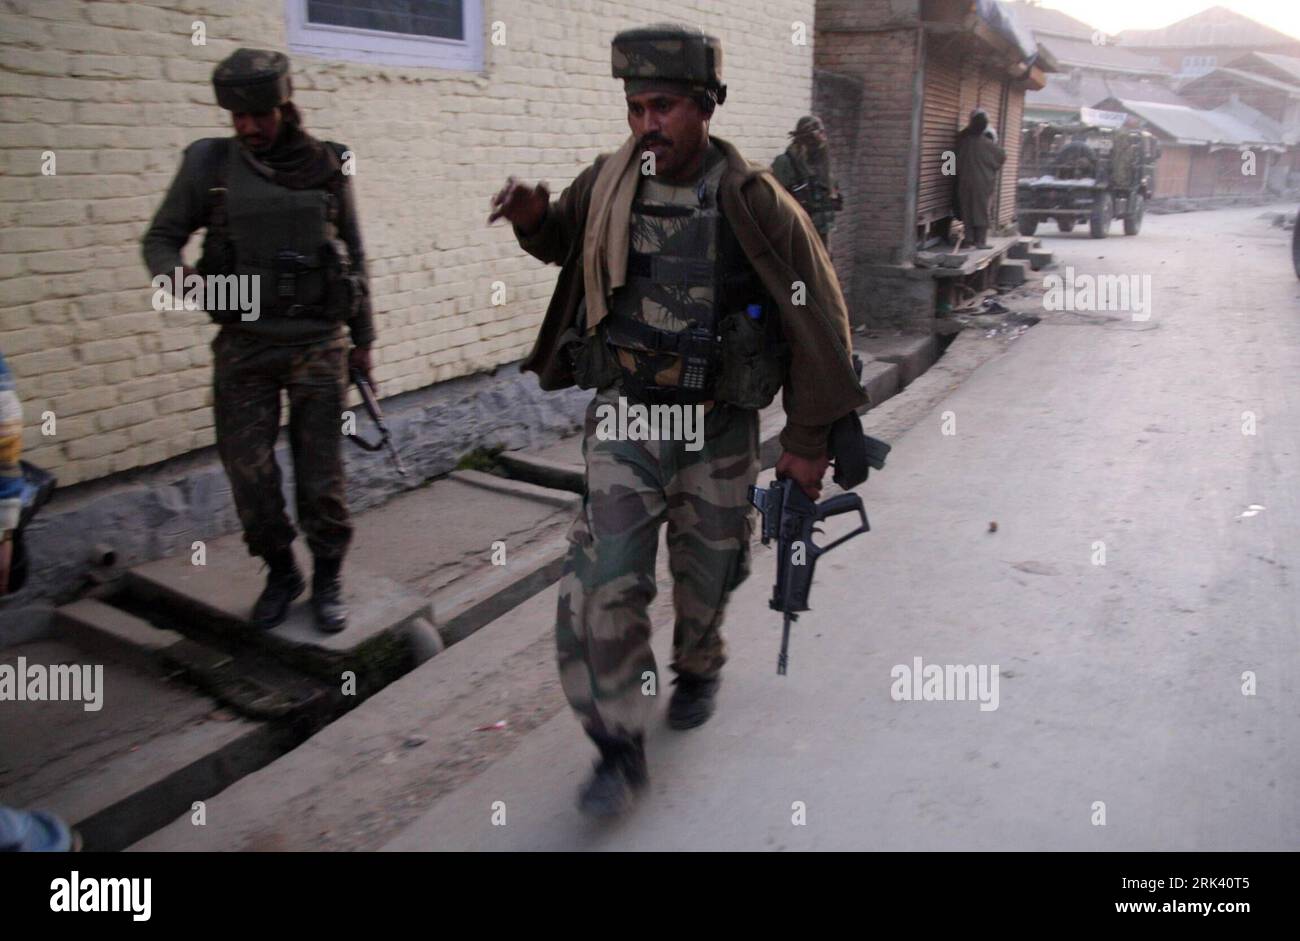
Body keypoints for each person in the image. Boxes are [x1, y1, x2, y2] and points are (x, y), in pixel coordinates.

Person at [488, 24, 868, 817]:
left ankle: (698, 662)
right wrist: (533, 219)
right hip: (628, 416)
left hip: (717, 425)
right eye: (636, 108)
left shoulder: (754, 199)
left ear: (704, 107)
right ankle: (617, 743)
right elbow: (567, 238)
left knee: (708, 570)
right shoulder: (610, 179)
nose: (647, 124)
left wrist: (807, 442)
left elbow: (819, 319)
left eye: (664, 106)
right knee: (607, 577)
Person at [142, 49, 376, 632]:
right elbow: (161, 239)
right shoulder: (209, 164)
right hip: (245, 345)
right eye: (237, 118)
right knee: (248, 472)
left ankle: (327, 577)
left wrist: (364, 340)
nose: (247, 128)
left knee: (322, 476)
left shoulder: (329, 162)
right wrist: (185, 281)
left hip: (320, 343)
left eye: (259, 116)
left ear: (284, 105)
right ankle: (280, 572)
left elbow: (354, 249)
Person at [772, 115, 843, 249]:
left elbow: (832, 202)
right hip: (797, 234)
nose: (822, 139)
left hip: (822, 233)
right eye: (817, 134)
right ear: (805, 138)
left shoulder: (823, 166)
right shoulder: (786, 163)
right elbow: (775, 202)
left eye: (823, 133)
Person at [955, 109, 1006, 250]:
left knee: (967, 210)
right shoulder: (988, 144)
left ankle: (968, 240)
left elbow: (951, 160)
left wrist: (950, 175)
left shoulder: (963, 142)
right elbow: (1001, 156)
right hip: (983, 183)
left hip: (964, 181)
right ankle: (980, 241)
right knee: (981, 211)